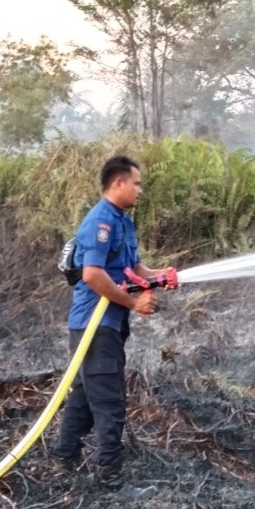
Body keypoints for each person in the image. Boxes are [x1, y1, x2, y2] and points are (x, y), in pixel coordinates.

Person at [50, 154, 179, 491]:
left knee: (83, 396)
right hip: (94, 326)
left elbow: (133, 269)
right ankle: (110, 475)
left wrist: (160, 277)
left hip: (108, 325)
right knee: (109, 400)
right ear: (118, 183)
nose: (140, 190)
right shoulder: (100, 223)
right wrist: (136, 301)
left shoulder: (123, 221)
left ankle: (64, 457)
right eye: (136, 183)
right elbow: (93, 275)